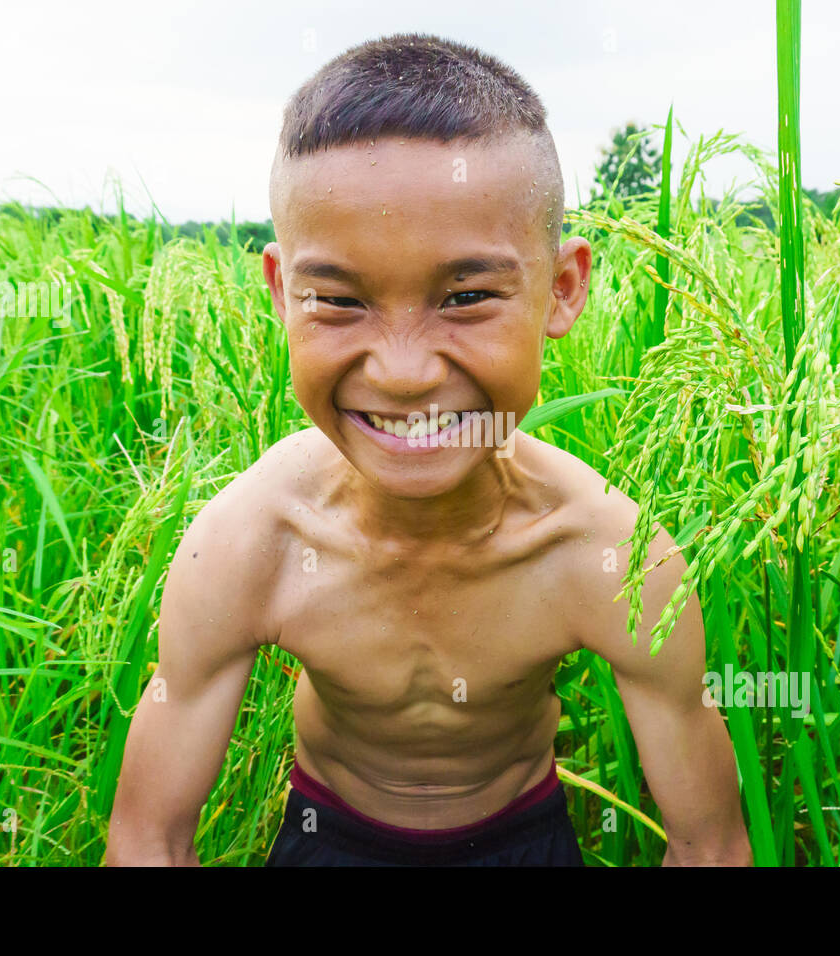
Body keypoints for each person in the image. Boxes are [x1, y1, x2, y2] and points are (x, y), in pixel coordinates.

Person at [105, 31, 750, 867]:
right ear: (280, 293)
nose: (404, 373)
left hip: (522, 840)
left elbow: (713, 847)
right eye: (338, 301)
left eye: (468, 296)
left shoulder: (608, 559)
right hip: (327, 836)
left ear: (562, 289)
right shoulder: (253, 542)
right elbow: (147, 838)